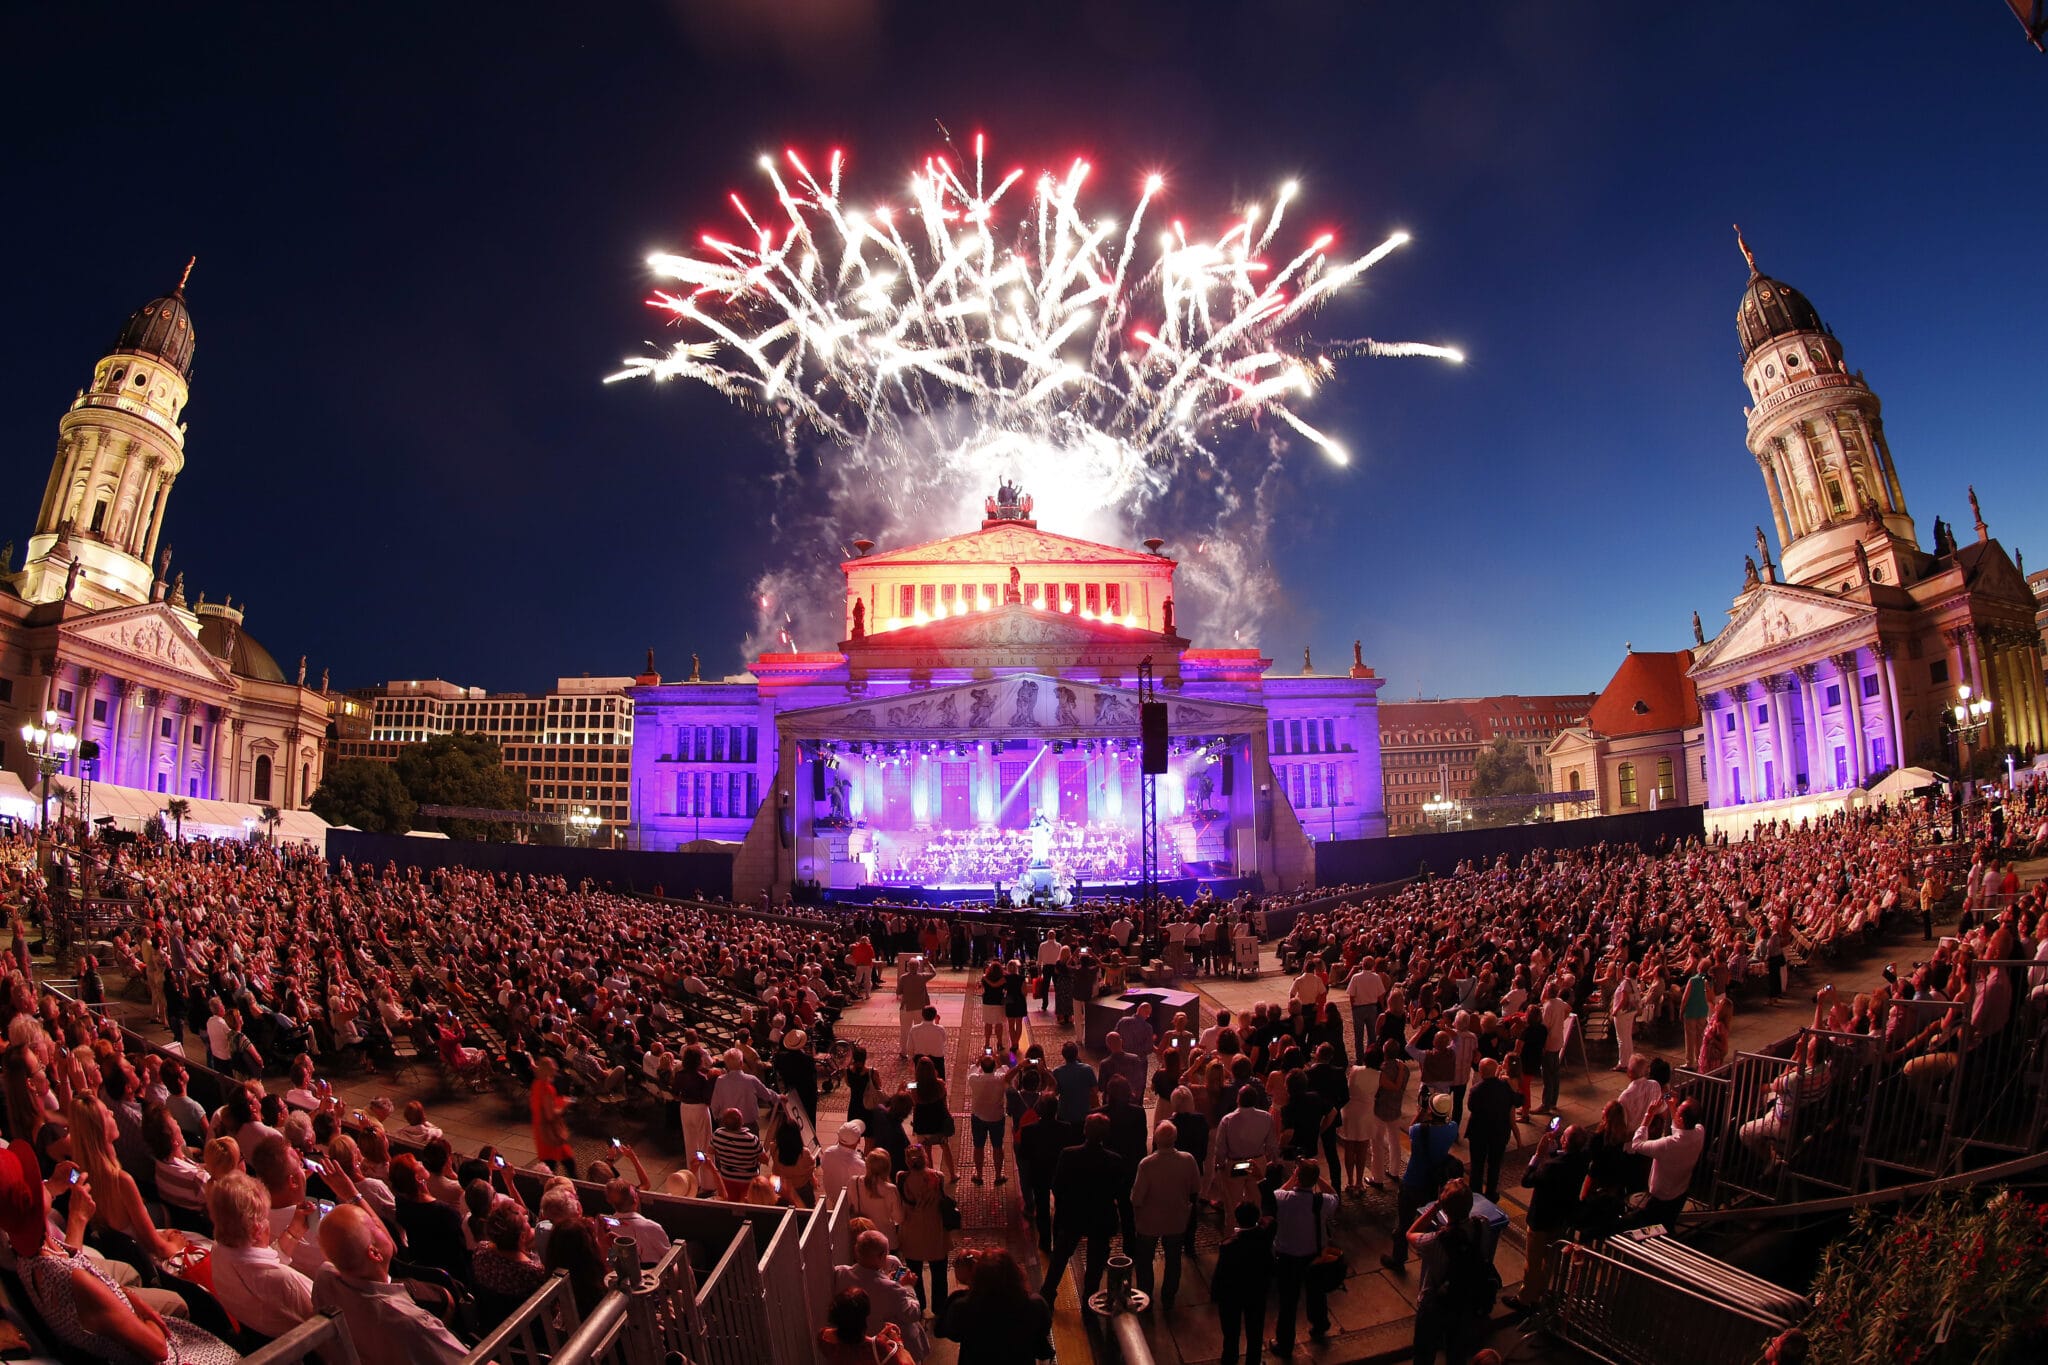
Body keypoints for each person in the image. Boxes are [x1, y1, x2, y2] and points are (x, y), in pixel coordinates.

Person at [0, 1141, 236, 1365]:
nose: (41, 1184)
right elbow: (158, 1349)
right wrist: (147, 1318)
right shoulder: (73, 1279)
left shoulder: (24, 1255)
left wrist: (136, 1303)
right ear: (29, 1202)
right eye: (33, 1182)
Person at [312, 1204, 469, 1365]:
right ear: (374, 1253)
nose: (379, 1224)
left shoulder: (324, 1278)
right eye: (375, 1226)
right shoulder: (410, 1322)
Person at [206, 1171, 317, 1340]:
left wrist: (294, 1231)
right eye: (266, 1217)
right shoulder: (285, 1281)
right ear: (258, 1229)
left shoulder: (218, 1250)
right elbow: (332, 1316)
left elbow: (261, 1266)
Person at [1408, 1176, 1495, 1365]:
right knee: (1456, 1353)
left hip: (1434, 1305)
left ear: (1445, 1209)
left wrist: (1435, 1206)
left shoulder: (1436, 1241)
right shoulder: (1483, 1226)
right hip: (1465, 1302)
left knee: (1424, 1353)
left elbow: (1410, 1234)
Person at [1040, 1112, 1124, 1303]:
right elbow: (1118, 1191)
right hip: (1101, 1217)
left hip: (1072, 1214)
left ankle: (1047, 1293)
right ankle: (1089, 1300)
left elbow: (1057, 1185)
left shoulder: (1069, 1155)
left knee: (1060, 1257)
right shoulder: (1114, 1160)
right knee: (1095, 1262)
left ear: (1085, 1131)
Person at [1128, 1120, 1200, 1310]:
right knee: (1174, 1258)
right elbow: (1195, 1187)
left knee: (1144, 1260)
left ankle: (1145, 1294)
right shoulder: (1188, 1160)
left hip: (1149, 1222)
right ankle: (1169, 1295)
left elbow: (1137, 1198)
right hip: (1176, 1219)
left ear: (1156, 1140)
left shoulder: (1147, 1164)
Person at [1384, 1091, 1460, 1271]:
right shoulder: (1452, 1128)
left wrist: (1421, 1112)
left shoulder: (1419, 1131)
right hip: (1432, 1183)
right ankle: (1428, 1256)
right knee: (1427, 1221)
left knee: (1403, 1223)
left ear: (1430, 1110)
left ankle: (1398, 1259)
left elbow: (1411, 1128)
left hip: (1412, 1181)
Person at [1270, 1157, 1338, 1356]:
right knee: (1317, 1294)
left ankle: (1284, 1344)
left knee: (1288, 1303)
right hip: (1314, 1256)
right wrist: (1318, 1176)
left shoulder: (1284, 1199)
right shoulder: (1322, 1201)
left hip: (1288, 1257)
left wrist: (1293, 1177)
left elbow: (1275, 1193)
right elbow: (1334, 1195)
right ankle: (1319, 1325)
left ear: (1298, 1178)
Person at [833, 1229, 929, 1362]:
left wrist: (887, 1279)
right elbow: (912, 1314)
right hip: (890, 1347)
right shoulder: (893, 1289)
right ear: (882, 1255)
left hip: (861, 1343)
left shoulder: (840, 1273)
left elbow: (872, 1284)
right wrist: (908, 1286)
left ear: (856, 1251)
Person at [946, 1248, 1051, 1365]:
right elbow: (1043, 1330)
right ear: (1015, 1273)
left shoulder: (962, 1307)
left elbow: (951, 1333)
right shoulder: (1035, 1305)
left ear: (977, 1277)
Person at [1212, 1201, 1275, 1365]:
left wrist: (1215, 1293)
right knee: (1255, 1331)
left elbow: (1221, 1273)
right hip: (1256, 1292)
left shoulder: (1229, 1245)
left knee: (1231, 1333)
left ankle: (1229, 1360)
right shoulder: (1264, 1237)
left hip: (1232, 1294)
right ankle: (1253, 1361)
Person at [1628, 1098, 1705, 1229]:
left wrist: (1649, 1115)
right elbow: (1681, 1130)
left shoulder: (1668, 1145)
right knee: (1668, 1225)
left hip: (1661, 1199)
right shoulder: (1699, 1131)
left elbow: (1637, 1144)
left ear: (1681, 1119)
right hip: (1681, 1192)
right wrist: (1672, 1106)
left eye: (1679, 1108)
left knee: (1653, 1229)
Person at [895, 1145, 951, 1310]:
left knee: (915, 1274)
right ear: (925, 1158)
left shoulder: (901, 1178)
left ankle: (919, 1306)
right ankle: (939, 1307)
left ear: (907, 1161)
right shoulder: (938, 1177)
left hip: (912, 1234)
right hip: (935, 1232)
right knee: (940, 1274)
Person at [1464, 1059, 1518, 1204]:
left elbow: (1471, 1107)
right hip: (1499, 1132)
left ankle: (1475, 1193)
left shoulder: (1476, 1090)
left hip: (1479, 1133)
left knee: (1477, 1165)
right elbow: (1518, 1101)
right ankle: (1491, 1193)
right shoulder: (1505, 1087)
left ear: (1481, 1072)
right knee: (1495, 1164)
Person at [819, 1287, 915, 1365]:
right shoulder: (879, 1349)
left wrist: (877, 1338)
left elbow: (851, 1346)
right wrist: (898, 1342)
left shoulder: (824, 1337)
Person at [966, 1050, 1011, 1186]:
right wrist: (997, 1060)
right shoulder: (1001, 1078)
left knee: (978, 1146)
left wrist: (979, 1061)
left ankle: (979, 1175)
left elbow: (972, 1070)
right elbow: (1006, 1069)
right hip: (996, 1117)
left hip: (978, 1117)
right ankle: (998, 1175)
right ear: (994, 1066)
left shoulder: (974, 1079)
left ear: (982, 1067)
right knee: (997, 1146)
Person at [848, 1148, 905, 1248]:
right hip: (886, 1239)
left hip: (863, 1237)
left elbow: (849, 1205)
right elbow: (899, 1218)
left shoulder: (854, 1182)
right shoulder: (890, 1189)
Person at [530, 1055, 574, 1176]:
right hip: (551, 1133)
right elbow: (550, 1115)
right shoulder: (547, 1089)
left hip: (542, 1131)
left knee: (560, 1163)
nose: (555, 1067)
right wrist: (565, 1104)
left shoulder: (536, 1084)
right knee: (559, 1165)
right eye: (552, 1066)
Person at [710, 1107, 766, 1201]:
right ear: (741, 1121)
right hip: (748, 1180)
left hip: (726, 1177)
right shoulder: (751, 1139)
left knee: (732, 1205)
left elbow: (711, 1150)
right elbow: (765, 1160)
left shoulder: (717, 1134)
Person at [898, 953, 937, 1058]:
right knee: (919, 1029)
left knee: (905, 1030)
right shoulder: (922, 977)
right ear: (918, 967)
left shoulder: (903, 978)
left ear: (908, 967)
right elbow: (934, 973)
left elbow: (899, 992)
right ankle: (918, 1050)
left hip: (906, 1007)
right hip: (920, 1007)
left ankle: (903, 1051)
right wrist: (928, 963)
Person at [822, 1120, 868, 1207]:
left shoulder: (828, 1152)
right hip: (853, 1204)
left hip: (833, 1198)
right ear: (858, 1141)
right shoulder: (861, 1165)